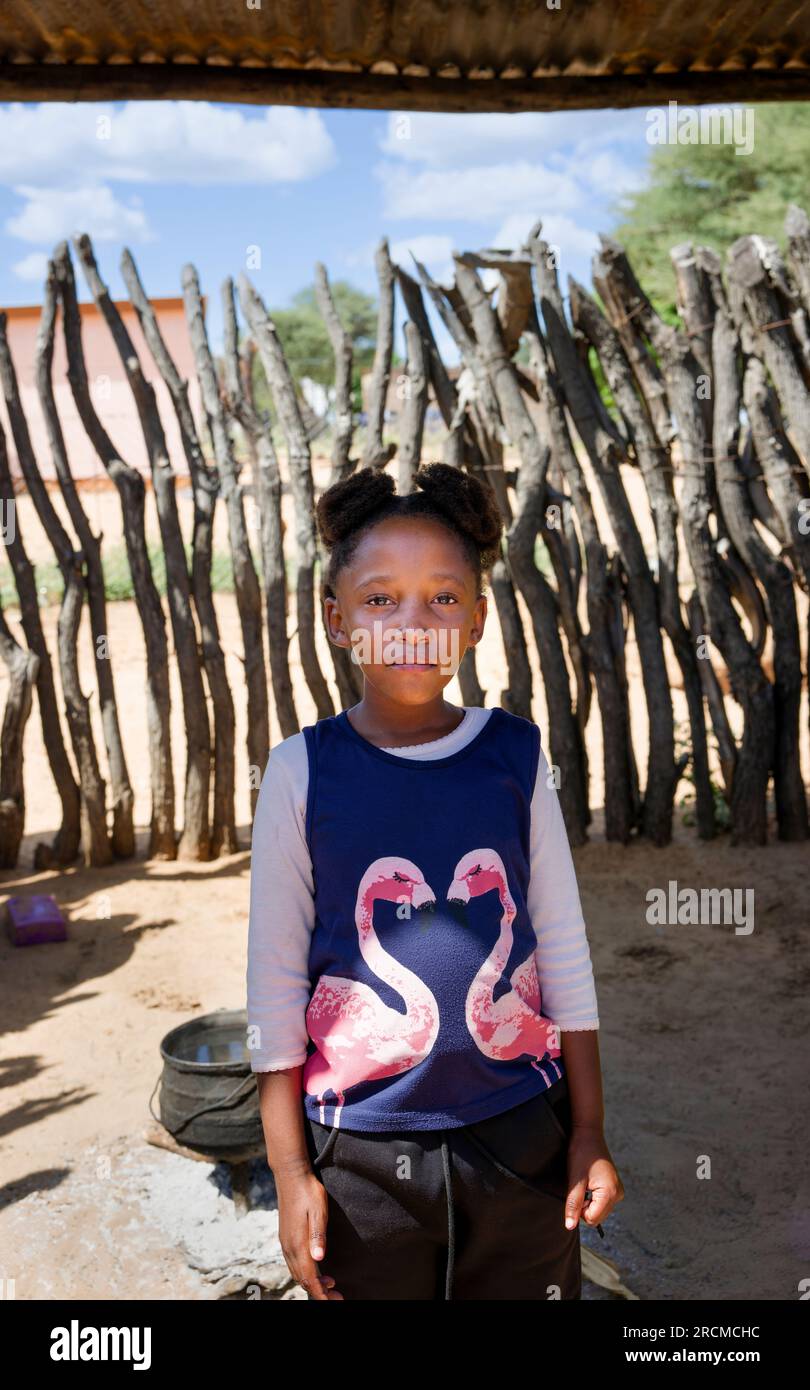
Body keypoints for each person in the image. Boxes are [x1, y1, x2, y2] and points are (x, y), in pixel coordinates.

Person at [246, 462, 623, 1300]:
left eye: (443, 598)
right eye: (381, 599)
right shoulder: (301, 772)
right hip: (359, 1153)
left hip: (523, 1134)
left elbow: (561, 946)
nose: (412, 621)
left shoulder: (515, 757)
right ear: (336, 620)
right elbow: (274, 988)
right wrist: (290, 1173)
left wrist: (587, 1128)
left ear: (478, 620)